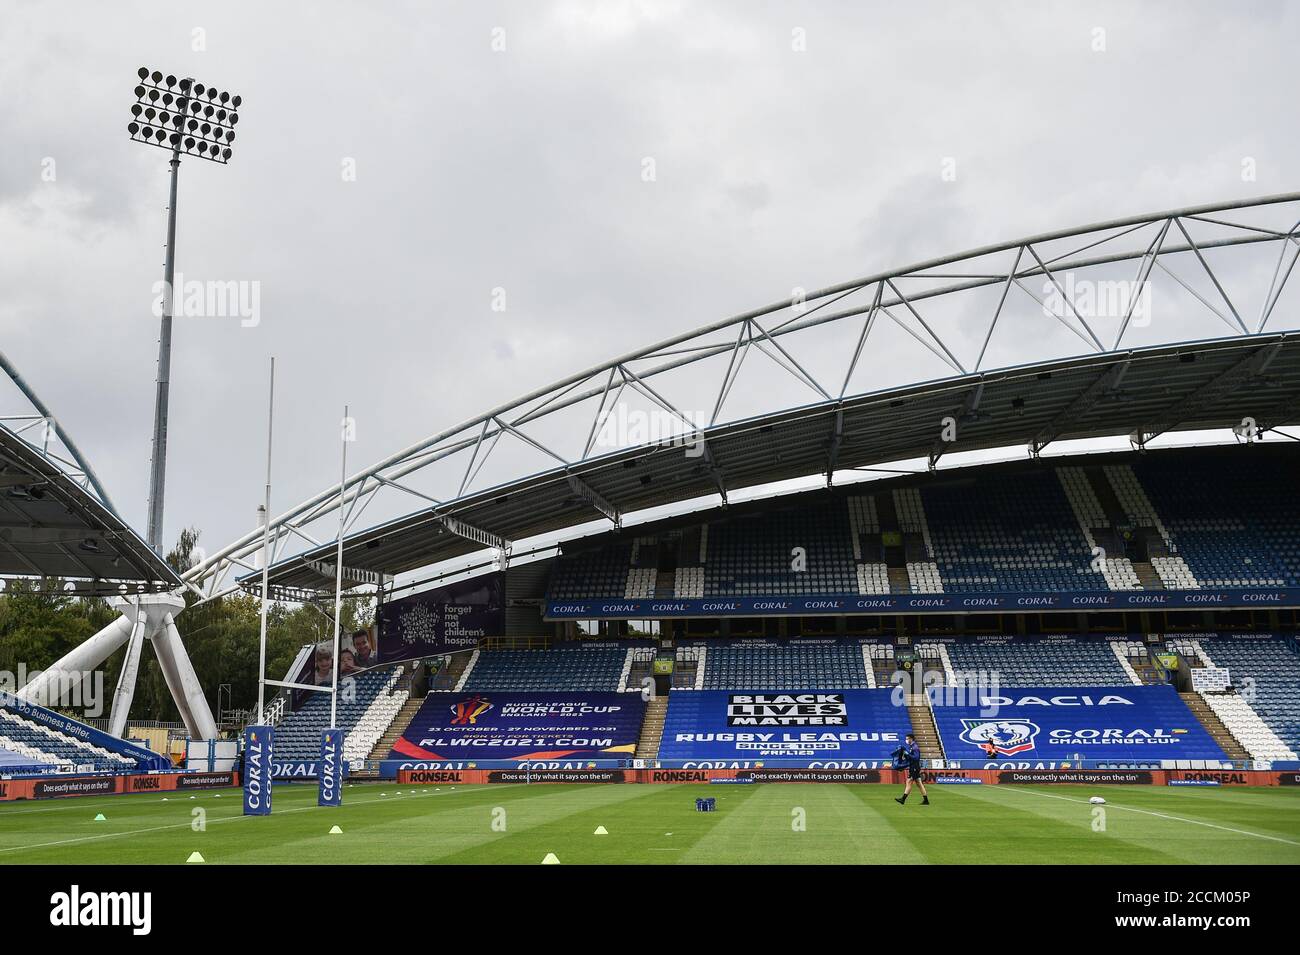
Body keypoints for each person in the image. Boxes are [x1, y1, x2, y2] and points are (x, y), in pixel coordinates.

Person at [892, 732, 929, 805]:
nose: (906, 740)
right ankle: (926, 800)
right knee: (919, 784)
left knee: (909, 782)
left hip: (914, 767)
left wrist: (907, 754)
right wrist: (907, 755)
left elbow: (916, 757)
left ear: (911, 739)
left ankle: (903, 799)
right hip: (914, 767)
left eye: (907, 739)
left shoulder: (915, 747)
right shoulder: (912, 747)